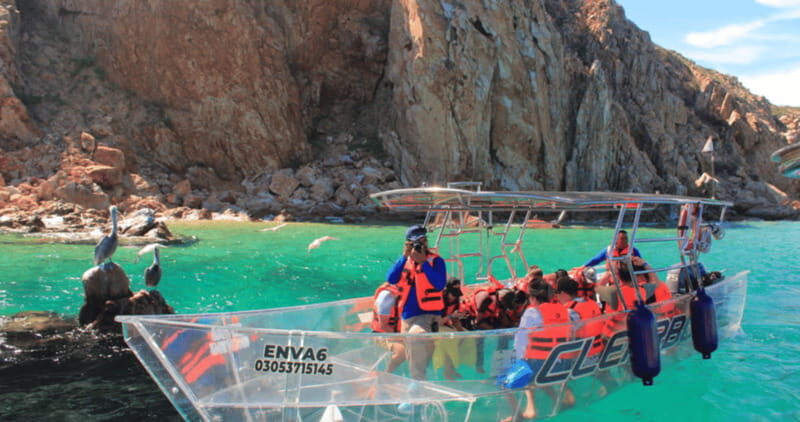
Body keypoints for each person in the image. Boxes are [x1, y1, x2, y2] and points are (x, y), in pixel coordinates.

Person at [504, 279, 572, 421]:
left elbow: (520, 341)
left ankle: (519, 415)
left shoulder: (531, 313)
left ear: (533, 298)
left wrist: (516, 362)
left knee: (505, 381)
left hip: (540, 365)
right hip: (559, 364)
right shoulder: (563, 310)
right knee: (536, 376)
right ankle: (559, 401)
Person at [386, 224, 446, 380]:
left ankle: (418, 383)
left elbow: (439, 284)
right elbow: (391, 279)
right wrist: (404, 257)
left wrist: (423, 263)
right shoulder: (405, 261)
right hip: (407, 316)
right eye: (416, 243)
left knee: (415, 338)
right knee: (411, 351)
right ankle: (418, 381)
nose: (421, 245)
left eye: (423, 241)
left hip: (427, 315)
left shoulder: (435, 261)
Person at [371, 282, 406, 373]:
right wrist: (403, 337)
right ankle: (387, 373)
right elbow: (383, 326)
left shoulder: (410, 292)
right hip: (382, 334)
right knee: (402, 351)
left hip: (402, 333)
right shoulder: (387, 296)